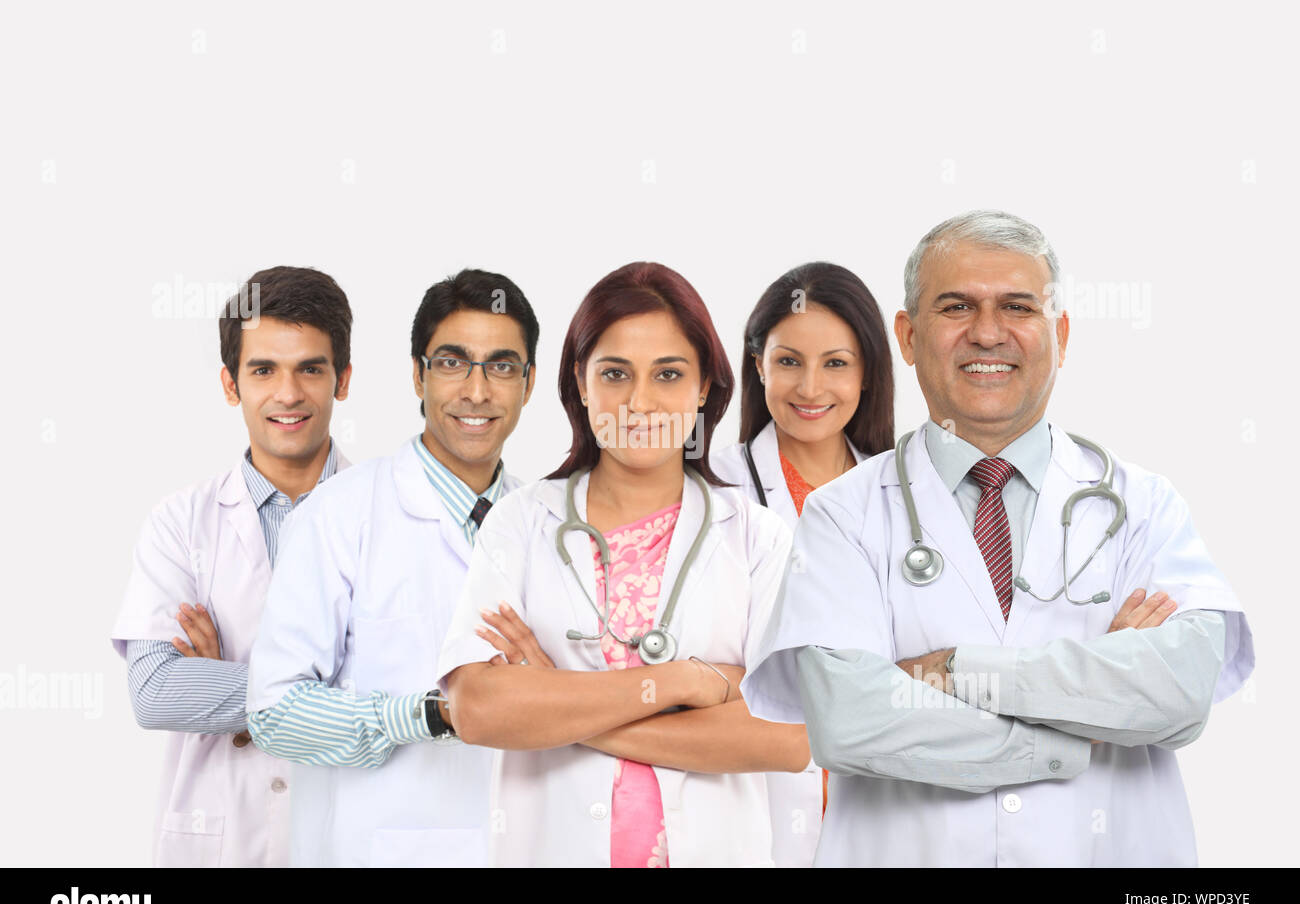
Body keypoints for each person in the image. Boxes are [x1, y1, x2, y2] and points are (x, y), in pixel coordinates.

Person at [742, 210, 1255, 866]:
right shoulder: (843, 513)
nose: (987, 333)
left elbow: (1179, 692)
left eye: (1018, 306)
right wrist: (1087, 716)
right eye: (956, 306)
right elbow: (849, 722)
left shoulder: (1143, 504)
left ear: (1061, 335)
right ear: (907, 334)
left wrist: (955, 668)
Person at [436, 262, 809, 867]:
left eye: (668, 374)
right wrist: (687, 682)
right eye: (615, 374)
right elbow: (475, 709)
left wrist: (554, 703)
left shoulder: (755, 537)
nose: (640, 403)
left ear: (705, 388)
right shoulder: (520, 525)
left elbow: (789, 737)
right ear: (580, 385)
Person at [245, 268, 539, 867]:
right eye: (453, 362)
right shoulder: (340, 512)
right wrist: (431, 715)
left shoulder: (550, 523)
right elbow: (275, 713)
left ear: (528, 384)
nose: (477, 391)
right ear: (417, 375)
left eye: (502, 366)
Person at [111, 266, 353, 866]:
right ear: (230, 383)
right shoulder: (180, 522)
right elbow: (155, 692)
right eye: (263, 369)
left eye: (310, 369)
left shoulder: (391, 513)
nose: (288, 394)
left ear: (342, 380)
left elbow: (419, 687)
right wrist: (337, 692)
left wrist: (226, 685)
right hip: (219, 843)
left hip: (349, 835)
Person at [711, 261, 894, 867]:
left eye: (836, 363)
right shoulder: (715, 492)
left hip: (886, 806)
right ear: (757, 364)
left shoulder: (909, 494)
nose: (810, 387)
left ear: (868, 372)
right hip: (755, 803)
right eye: (788, 361)